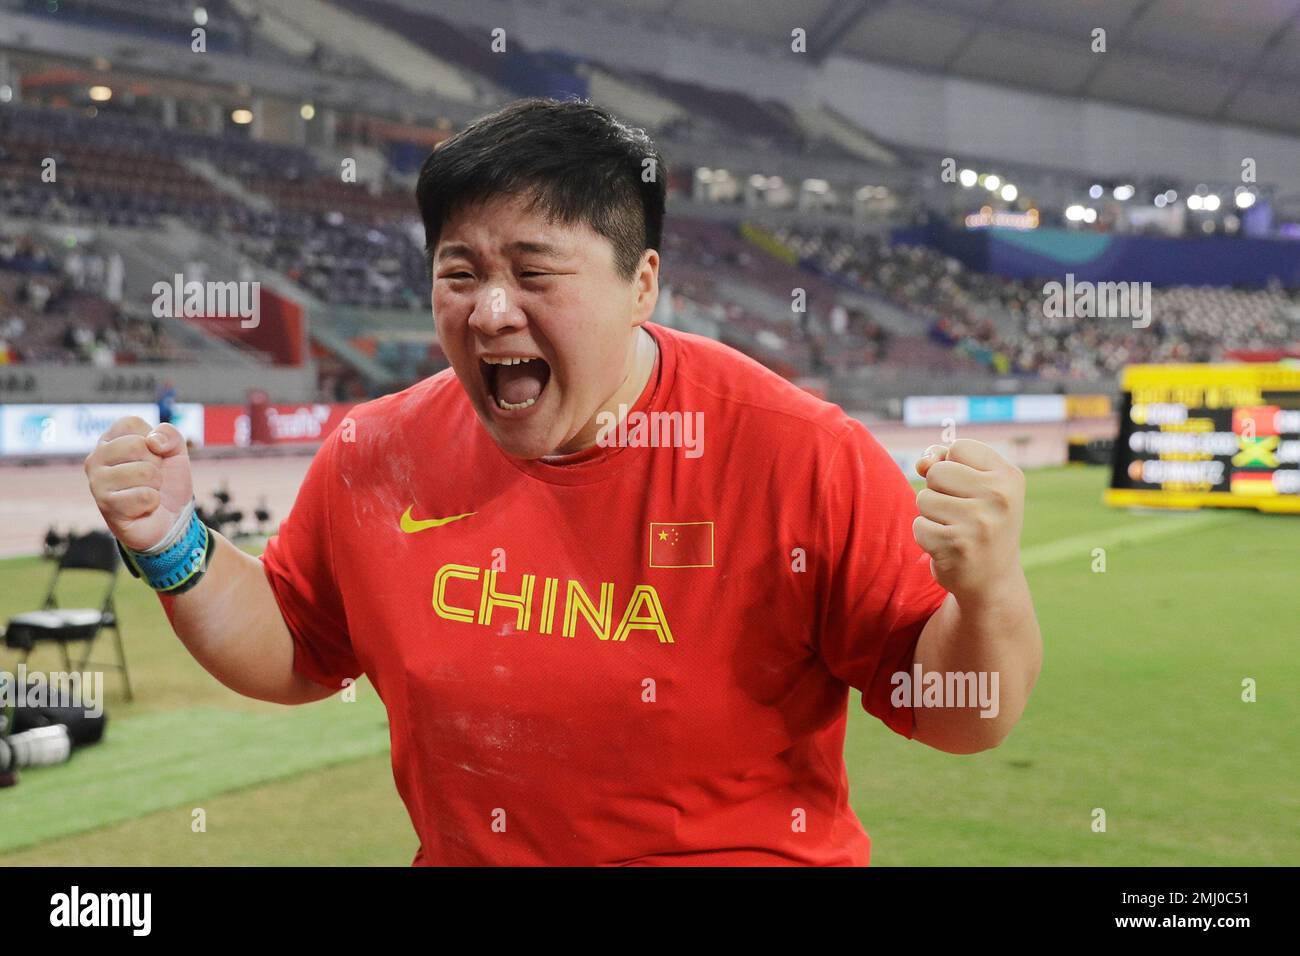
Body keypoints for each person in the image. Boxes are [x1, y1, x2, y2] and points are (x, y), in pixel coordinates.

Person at [83, 98, 1041, 866]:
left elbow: (962, 717)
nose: (492, 310)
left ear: (642, 284)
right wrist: (173, 544)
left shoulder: (796, 455)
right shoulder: (376, 451)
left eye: (536, 272)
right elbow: (295, 649)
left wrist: (988, 587)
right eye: (460, 272)